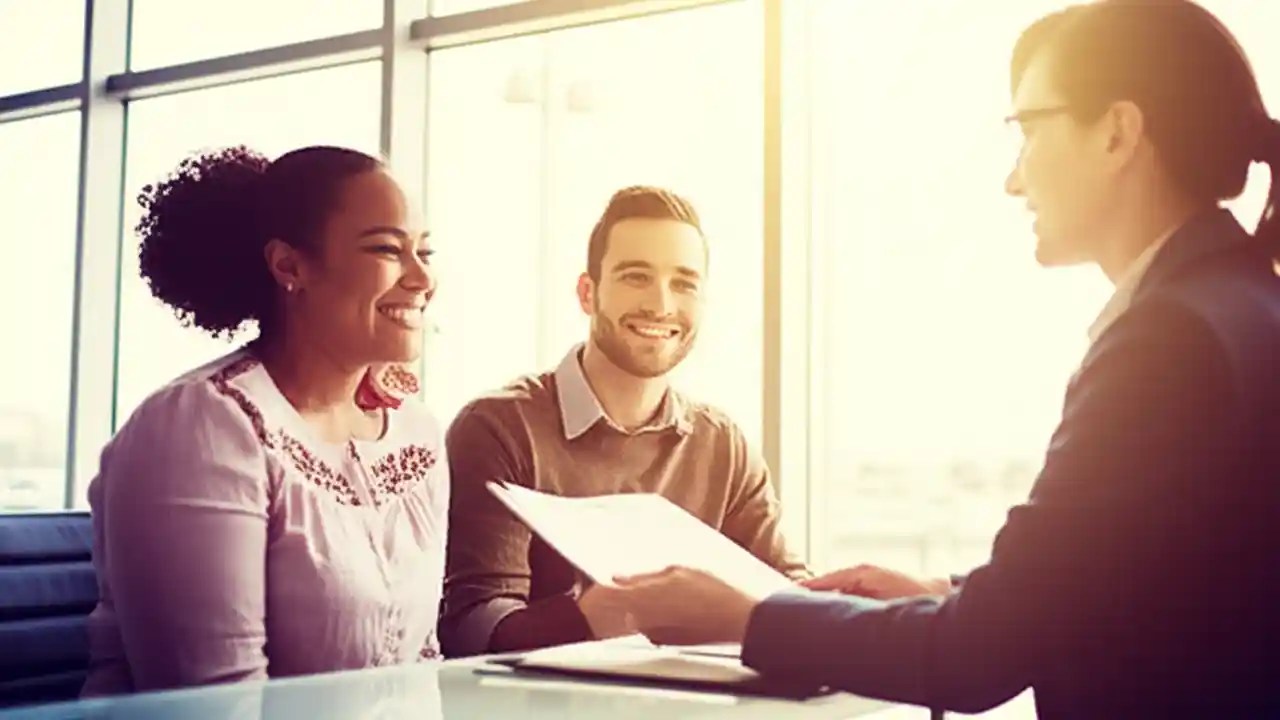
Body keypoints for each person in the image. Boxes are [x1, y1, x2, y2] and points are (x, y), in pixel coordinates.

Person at [602, 1, 1280, 717]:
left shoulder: (1169, 340)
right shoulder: (1242, 305)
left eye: (1028, 132)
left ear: (1117, 132)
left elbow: (974, 659)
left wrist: (747, 618)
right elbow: (1152, 585)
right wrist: (950, 595)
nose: (1014, 181)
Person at [81, 145, 449, 696]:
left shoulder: (415, 432)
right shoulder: (201, 427)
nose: (422, 278)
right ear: (289, 266)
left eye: (425, 251)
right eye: (386, 249)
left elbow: (421, 675)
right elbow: (215, 703)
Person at [439, 185, 809, 656]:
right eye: (636, 277)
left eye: (684, 283)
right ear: (587, 293)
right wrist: (599, 614)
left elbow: (787, 589)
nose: (661, 304)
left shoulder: (724, 446)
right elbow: (471, 630)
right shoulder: (499, 427)